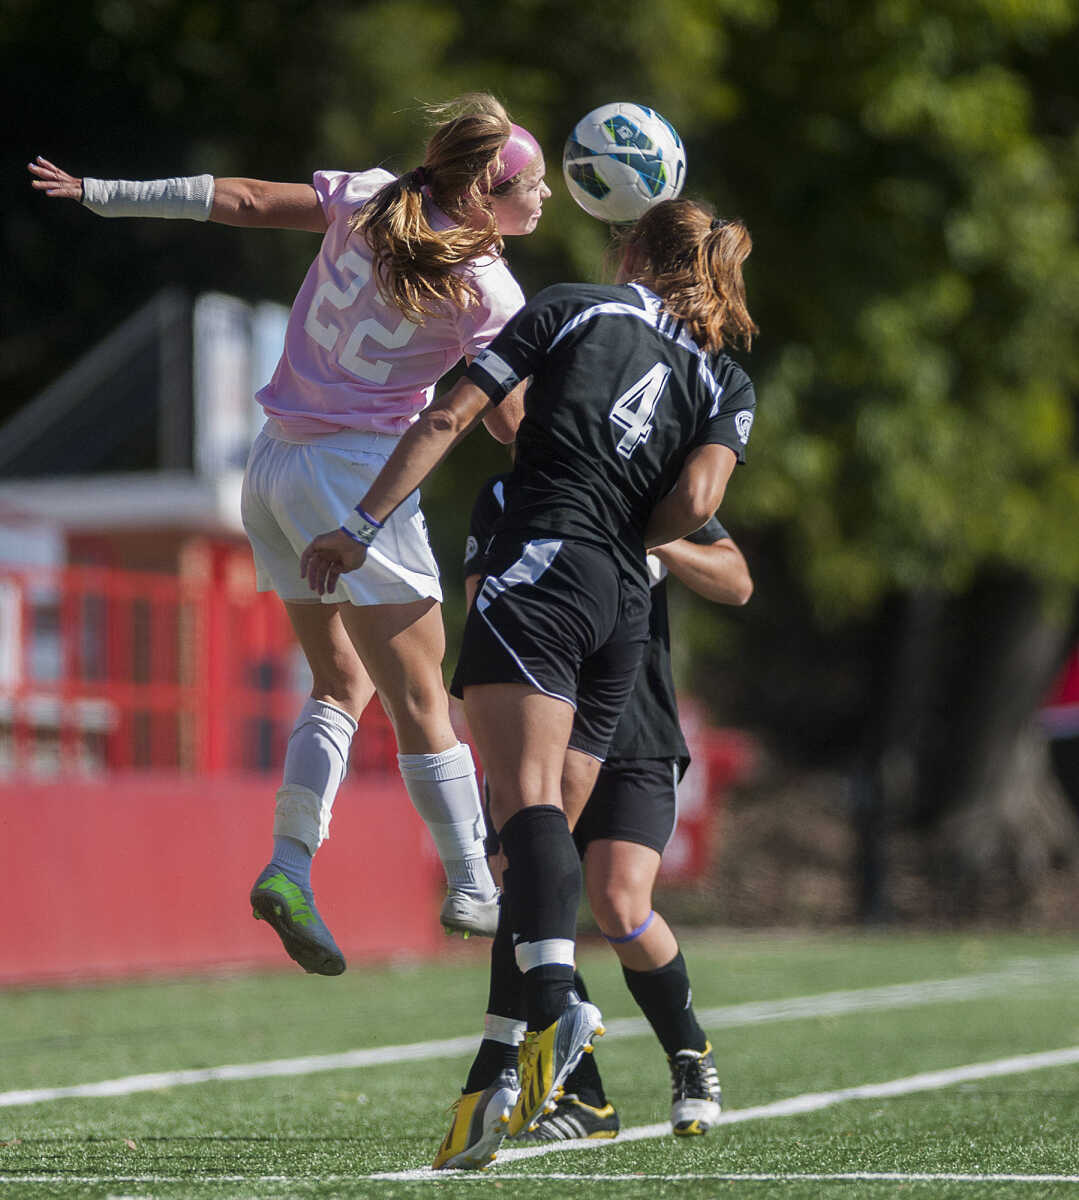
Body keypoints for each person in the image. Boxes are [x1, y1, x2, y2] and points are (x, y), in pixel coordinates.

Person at [28, 93, 552, 975]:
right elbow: (505, 425)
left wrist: (102, 191)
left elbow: (239, 198)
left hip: (270, 465)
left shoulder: (374, 196)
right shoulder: (490, 288)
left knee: (339, 681)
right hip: (354, 477)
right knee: (421, 698)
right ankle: (471, 882)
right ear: (483, 195)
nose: (544, 197)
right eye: (531, 184)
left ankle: (289, 866)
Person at [298, 196, 758, 1159]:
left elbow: (450, 413)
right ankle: (493, 1077)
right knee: (536, 844)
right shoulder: (719, 374)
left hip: (545, 560)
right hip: (622, 607)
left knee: (523, 813)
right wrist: (629, 533)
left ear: (630, 248)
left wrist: (361, 525)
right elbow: (699, 497)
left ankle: (555, 1005)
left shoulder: (570, 308)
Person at [447, 478, 751, 1162]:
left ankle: (688, 1053)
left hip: (635, 734)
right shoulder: (500, 496)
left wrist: (657, 542)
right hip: (542, 731)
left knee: (618, 902)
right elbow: (481, 606)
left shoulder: (637, 479)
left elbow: (736, 582)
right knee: (526, 899)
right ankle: (584, 1098)